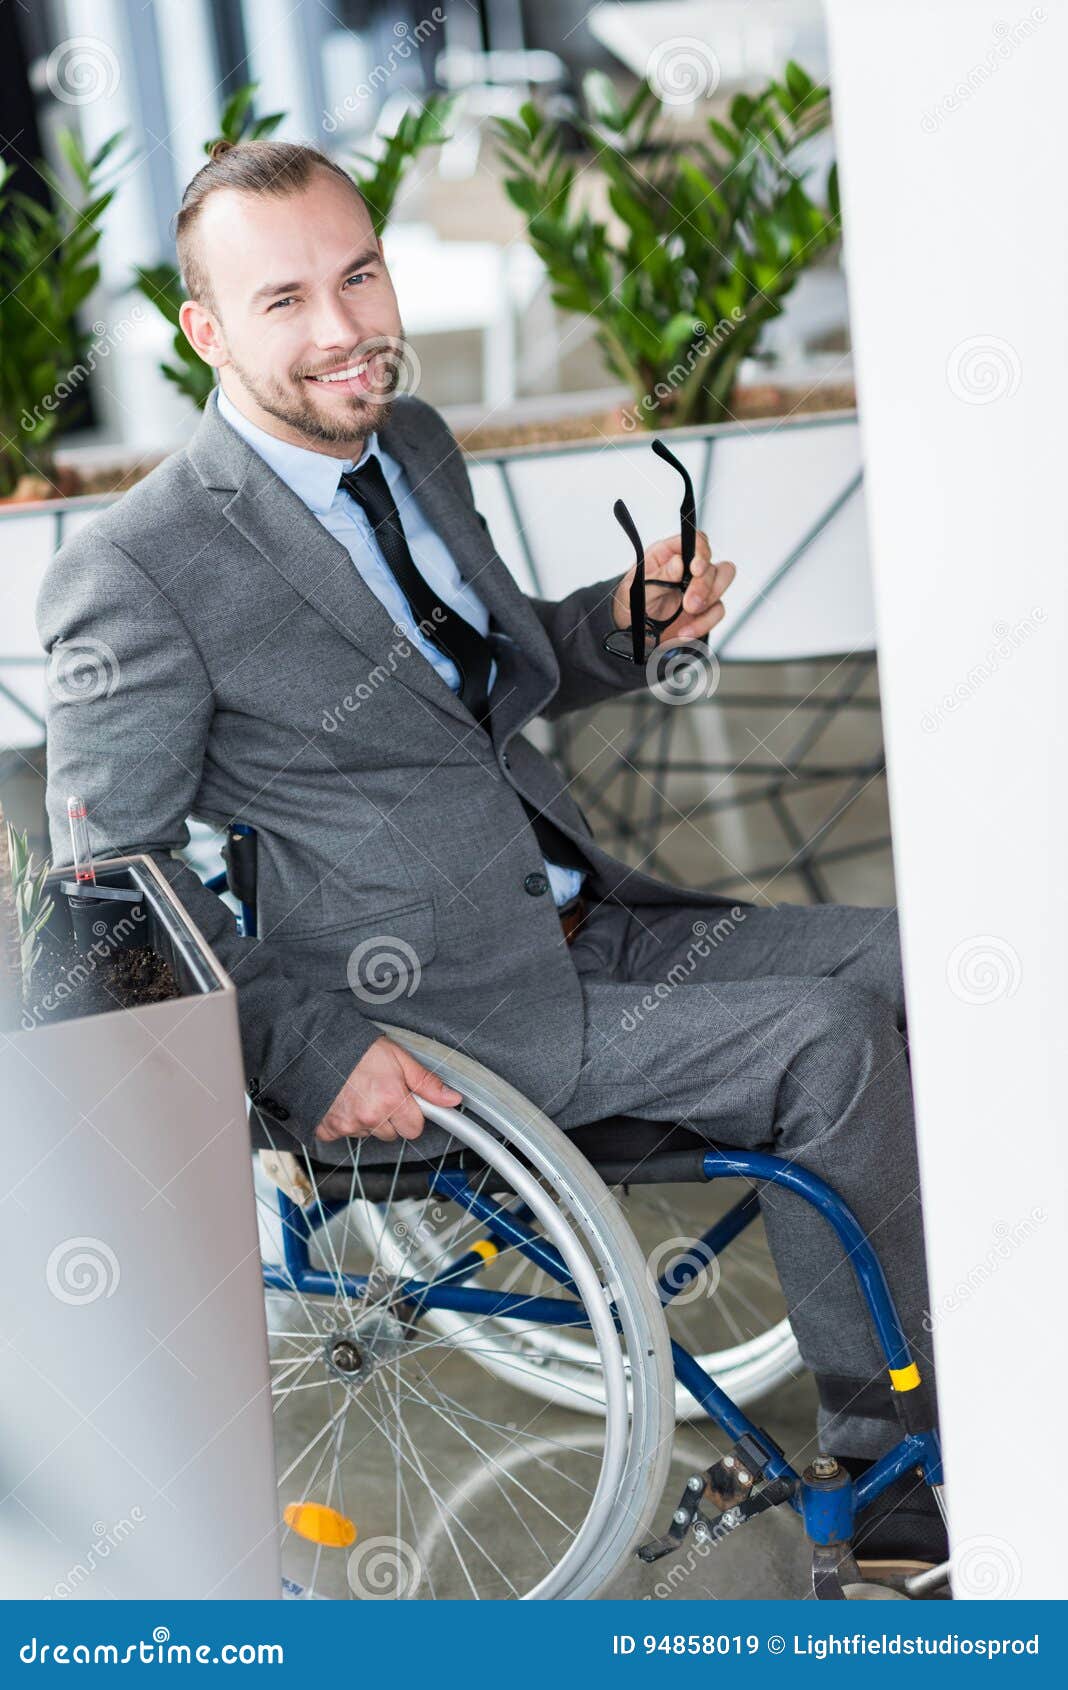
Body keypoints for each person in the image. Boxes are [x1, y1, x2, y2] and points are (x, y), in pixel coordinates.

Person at [37, 140, 942, 1574]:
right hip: (438, 1013)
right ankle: (894, 1472)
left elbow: (476, 688)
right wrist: (306, 1045)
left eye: (360, 274)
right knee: (825, 1042)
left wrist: (616, 629)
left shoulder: (410, 442)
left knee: (936, 963)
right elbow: (109, 884)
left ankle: (971, 1333)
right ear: (206, 331)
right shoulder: (142, 567)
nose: (343, 328)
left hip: (596, 917)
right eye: (285, 300)